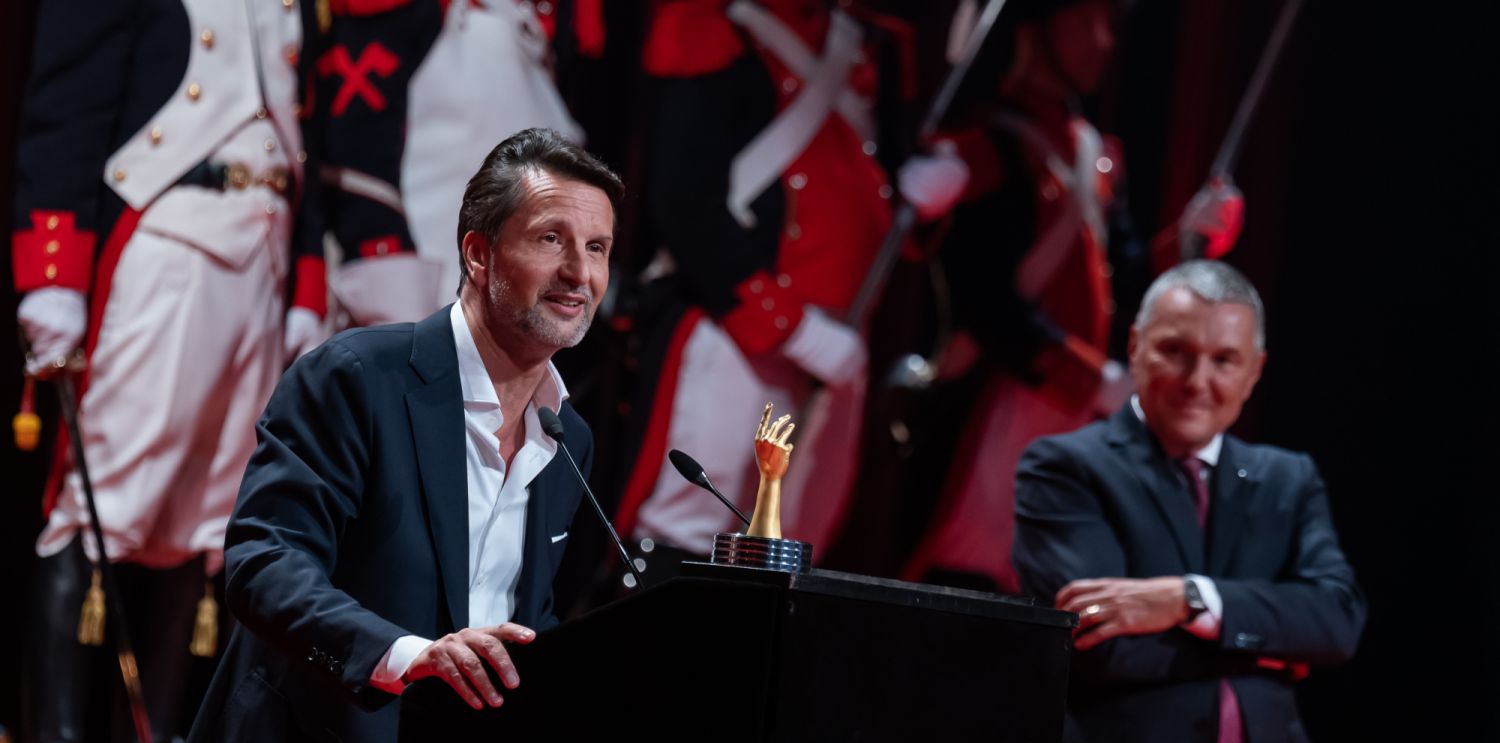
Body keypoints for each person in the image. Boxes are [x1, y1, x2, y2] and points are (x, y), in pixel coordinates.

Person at [143, 128, 621, 743]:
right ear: (479, 252)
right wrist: (406, 656)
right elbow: (263, 560)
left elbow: (529, 619)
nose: (579, 275)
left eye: (597, 249)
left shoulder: (569, 436)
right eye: (551, 239)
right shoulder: (355, 377)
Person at [9, 0, 325, 743]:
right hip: (165, 234)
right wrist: (53, 268)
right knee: (104, 495)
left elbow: (306, 130)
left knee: (203, 515)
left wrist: (305, 279)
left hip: (259, 247)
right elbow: (65, 106)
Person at [1012, 260, 1366, 743]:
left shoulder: (1286, 479)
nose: (1198, 378)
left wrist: (1187, 600)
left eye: (1224, 359)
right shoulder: (1065, 467)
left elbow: (1336, 621)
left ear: (1256, 369)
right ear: (1137, 344)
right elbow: (1097, 646)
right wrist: (1267, 645)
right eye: (1176, 350)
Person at [614, 0, 969, 571]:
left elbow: (880, 190)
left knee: (796, 547)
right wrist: (790, 327)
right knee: (691, 530)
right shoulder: (714, 25)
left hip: (843, 339)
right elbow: (683, 202)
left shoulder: (873, 44)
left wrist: (928, 198)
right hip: (737, 327)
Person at [903, 0, 1243, 593]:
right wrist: (1092, 378)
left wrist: (1188, 238)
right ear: (1038, 27)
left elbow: (1126, 280)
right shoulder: (987, 144)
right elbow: (986, 303)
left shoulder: (1095, 153)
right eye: (1090, 21)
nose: (1105, 41)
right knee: (963, 578)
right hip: (995, 405)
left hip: (1068, 414)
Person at [315, 0, 585, 326]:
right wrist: (395, 310)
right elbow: (357, 155)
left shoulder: (519, 15)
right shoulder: (402, 13)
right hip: (430, 301)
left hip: (524, 309)